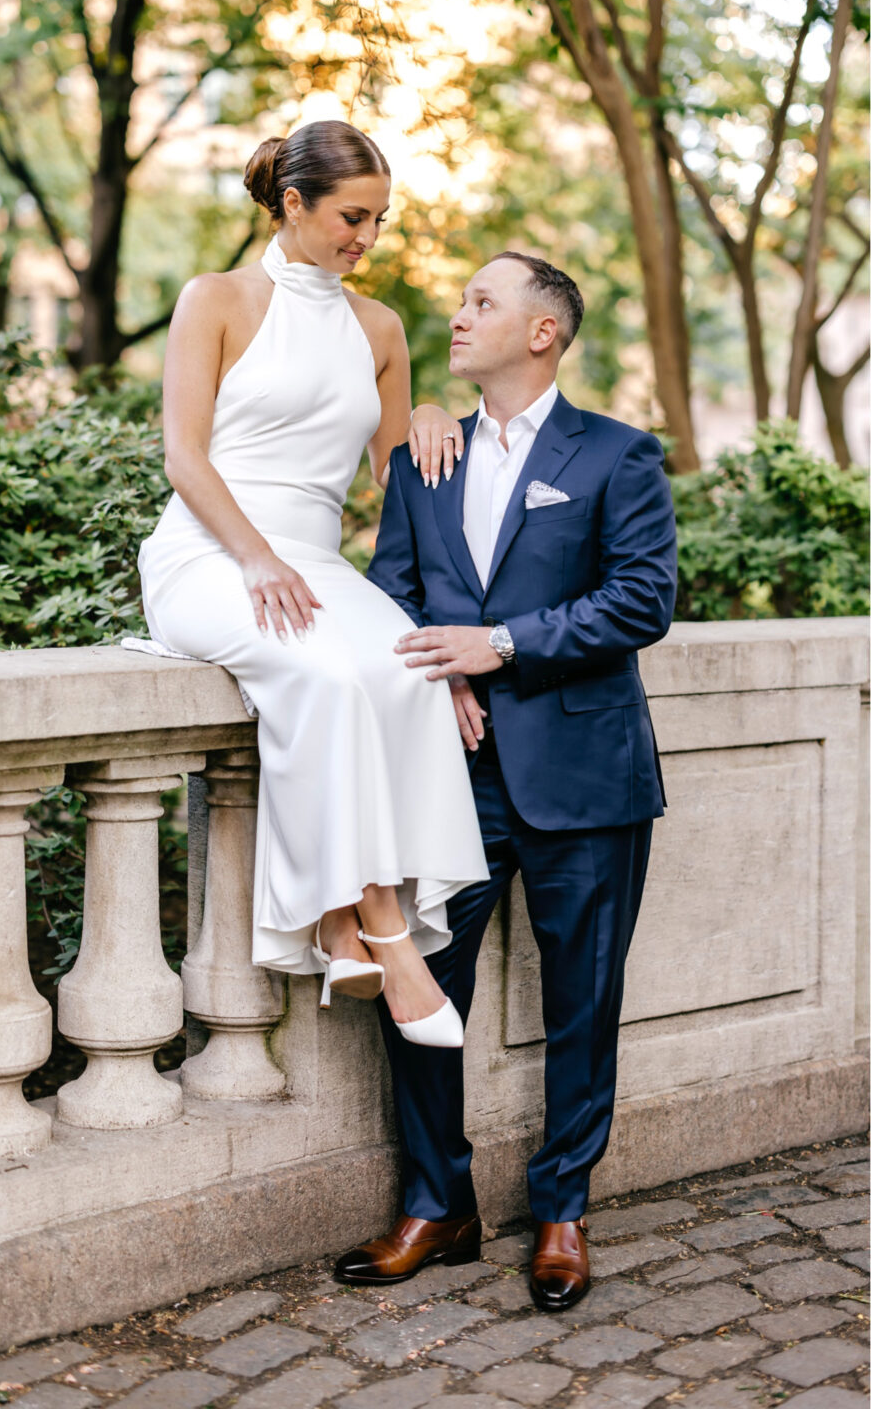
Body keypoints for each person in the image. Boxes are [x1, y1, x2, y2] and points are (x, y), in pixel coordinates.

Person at [336, 251, 678, 1308]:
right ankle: (438, 1203)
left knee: (585, 1004)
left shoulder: (618, 455)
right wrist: (435, 682)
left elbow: (642, 600)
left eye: (481, 300)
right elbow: (387, 598)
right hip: (450, 777)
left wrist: (497, 643)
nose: (457, 312)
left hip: (586, 774)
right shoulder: (421, 458)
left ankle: (562, 1209)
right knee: (422, 991)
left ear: (541, 332)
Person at [136, 120, 488, 1048]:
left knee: (410, 672)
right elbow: (183, 454)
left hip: (318, 564)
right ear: (292, 204)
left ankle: (341, 925)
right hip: (210, 552)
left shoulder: (378, 327)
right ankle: (385, 934)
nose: (366, 238)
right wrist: (257, 557)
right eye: (351, 216)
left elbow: (396, 477)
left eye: (378, 219)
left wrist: (436, 410)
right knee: (328, 678)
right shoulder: (215, 299)